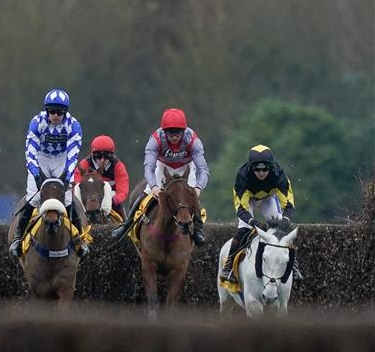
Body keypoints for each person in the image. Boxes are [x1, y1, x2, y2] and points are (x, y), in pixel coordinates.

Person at [9, 88, 89, 257]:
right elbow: (30, 151)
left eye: (59, 112)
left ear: (65, 113)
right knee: (34, 196)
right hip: (41, 159)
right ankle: (18, 238)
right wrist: (36, 174)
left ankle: (79, 239)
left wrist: (67, 178)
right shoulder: (36, 122)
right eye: (52, 111)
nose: (55, 115)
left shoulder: (73, 126)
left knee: (67, 198)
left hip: (62, 160)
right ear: (46, 111)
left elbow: (73, 154)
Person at [111, 107, 209, 245]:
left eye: (177, 132)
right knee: (146, 193)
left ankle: (197, 229)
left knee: (190, 195)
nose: (174, 136)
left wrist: (198, 188)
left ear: (184, 131)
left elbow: (203, 169)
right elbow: (149, 168)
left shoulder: (193, 140)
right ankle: (127, 225)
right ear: (164, 131)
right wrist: (154, 187)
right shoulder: (155, 140)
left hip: (186, 166)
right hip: (163, 166)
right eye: (170, 133)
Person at [220, 144, 302, 282]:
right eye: (257, 169)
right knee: (244, 229)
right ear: (251, 168)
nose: (261, 172)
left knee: (282, 230)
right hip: (248, 201)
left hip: (268, 199)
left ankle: (294, 266)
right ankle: (228, 267)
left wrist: (286, 219)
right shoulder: (242, 177)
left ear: (271, 167)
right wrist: (253, 222)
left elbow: (288, 204)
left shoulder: (279, 175)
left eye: (265, 169)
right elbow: (241, 209)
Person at [73, 134, 130, 219]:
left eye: (107, 156)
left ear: (112, 156)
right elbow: (77, 182)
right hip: (89, 198)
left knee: (125, 221)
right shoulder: (84, 164)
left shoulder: (118, 166)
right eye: (99, 156)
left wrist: (114, 200)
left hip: (111, 198)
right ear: (93, 155)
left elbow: (123, 189)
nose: (103, 160)